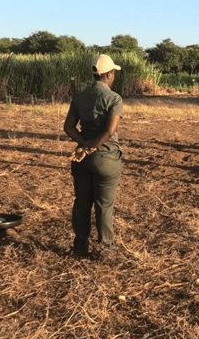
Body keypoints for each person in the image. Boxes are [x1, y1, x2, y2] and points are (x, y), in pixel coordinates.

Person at [63, 54, 123, 259]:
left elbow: (68, 127)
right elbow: (109, 131)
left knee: (81, 202)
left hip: (81, 159)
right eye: (113, 73)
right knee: (104, 206)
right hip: (106, 159)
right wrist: (93, 146)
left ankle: (80, 245)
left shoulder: (79, 97)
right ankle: (106, 248)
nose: (114, 76)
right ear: (109, 74)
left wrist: (84, 144)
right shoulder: (114, 99)